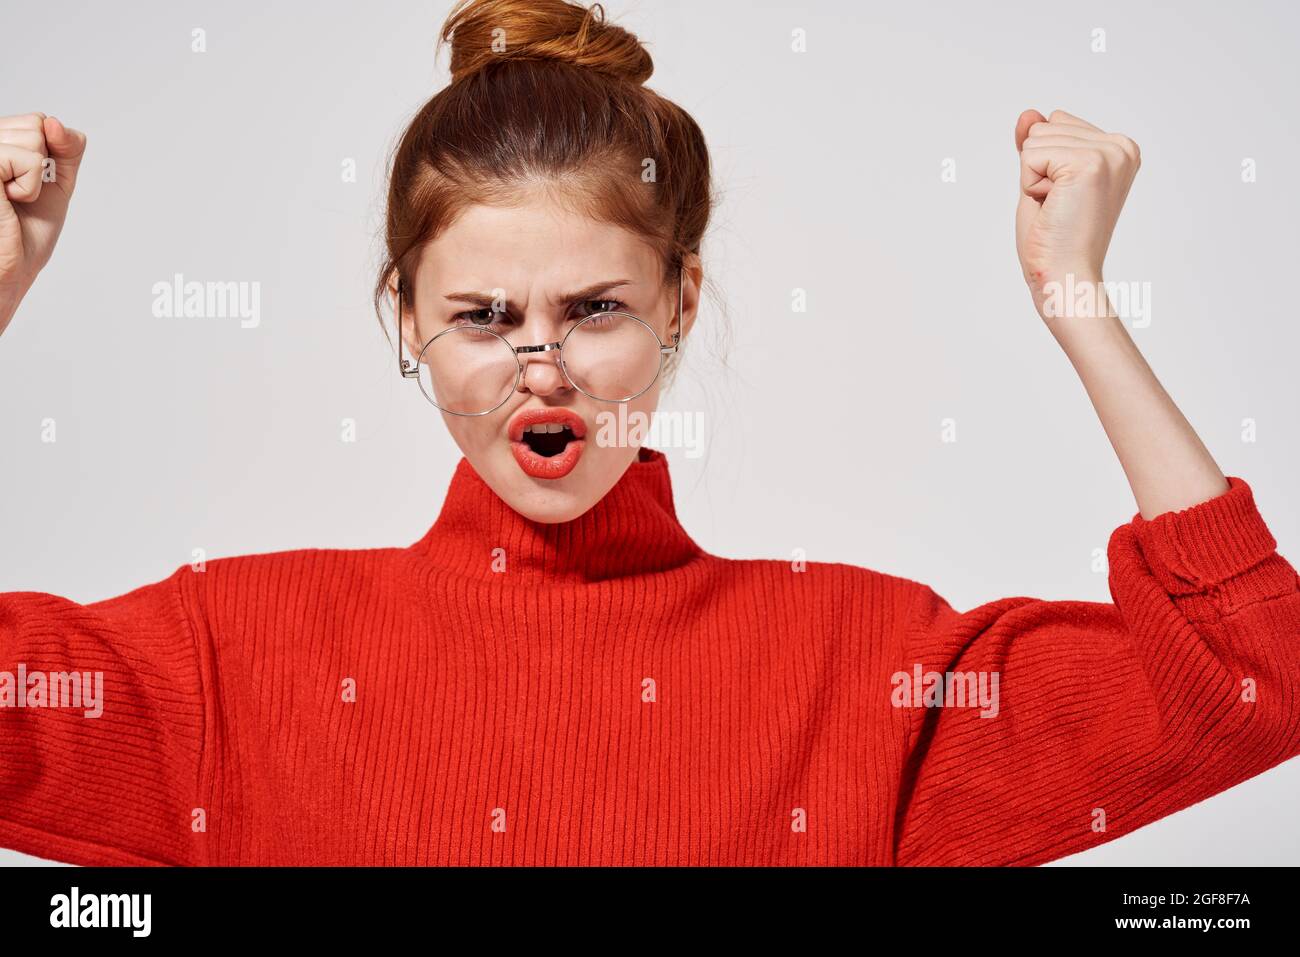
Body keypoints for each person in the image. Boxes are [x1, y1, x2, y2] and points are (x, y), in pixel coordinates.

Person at [1, 0, 1297, 866]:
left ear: (681, 299)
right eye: (485, 313)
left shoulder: (863, 665)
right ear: (407, 316)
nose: (542, 365)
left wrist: (1075, 301)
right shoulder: (236, 656)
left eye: (597, 307)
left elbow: (1259, 678)